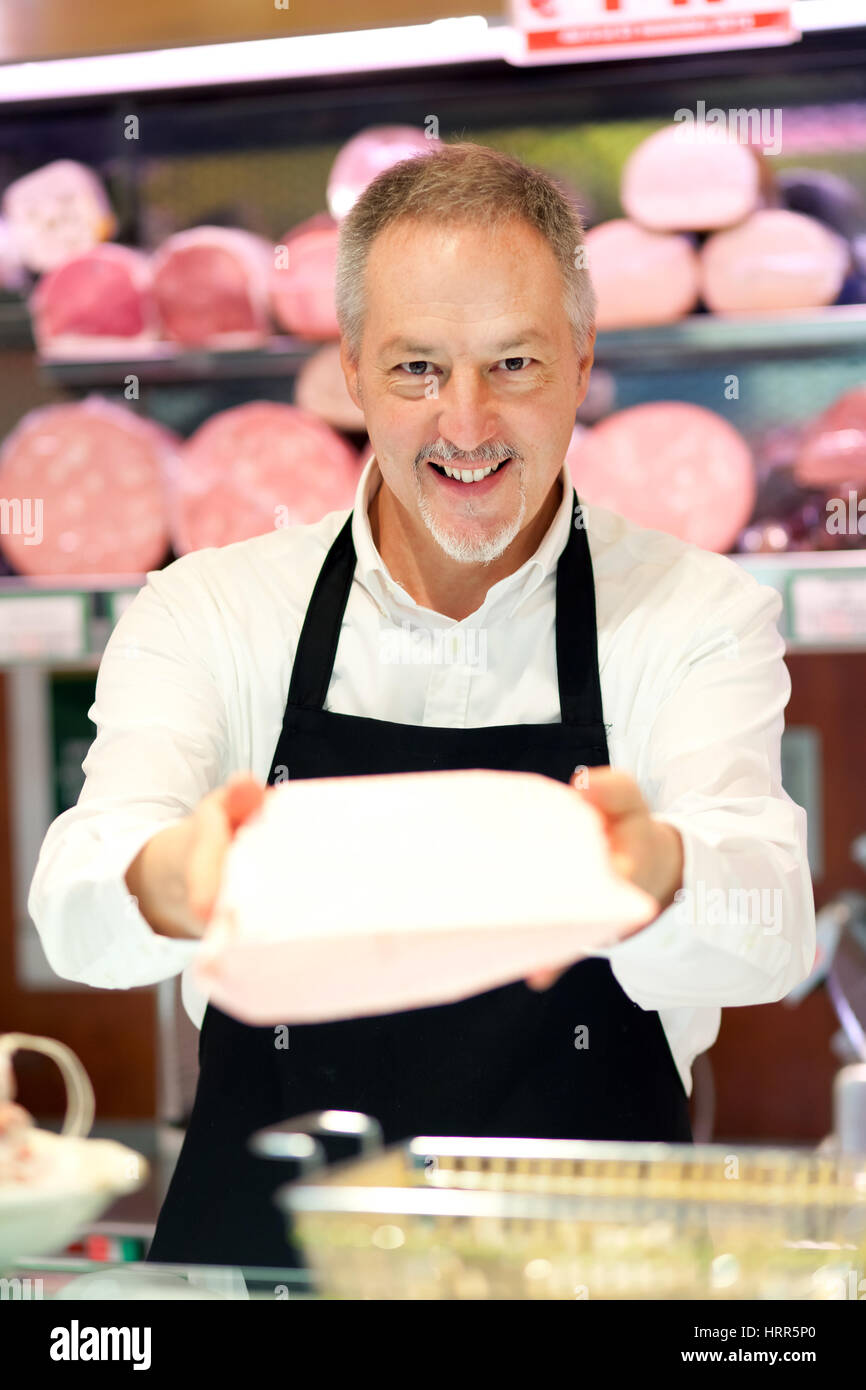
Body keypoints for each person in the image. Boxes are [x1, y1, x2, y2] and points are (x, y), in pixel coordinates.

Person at [28, 142, 815, 1269]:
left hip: (587, 1278)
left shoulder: (697, 615)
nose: (466, 423)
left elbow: (770, 927)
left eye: (513, 363)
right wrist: (163, 879)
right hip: (270, 1274)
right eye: (416, 370)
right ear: (352, 371)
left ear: (582, 361)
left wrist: (661, 877)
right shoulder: (213, 611)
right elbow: (73, 903)